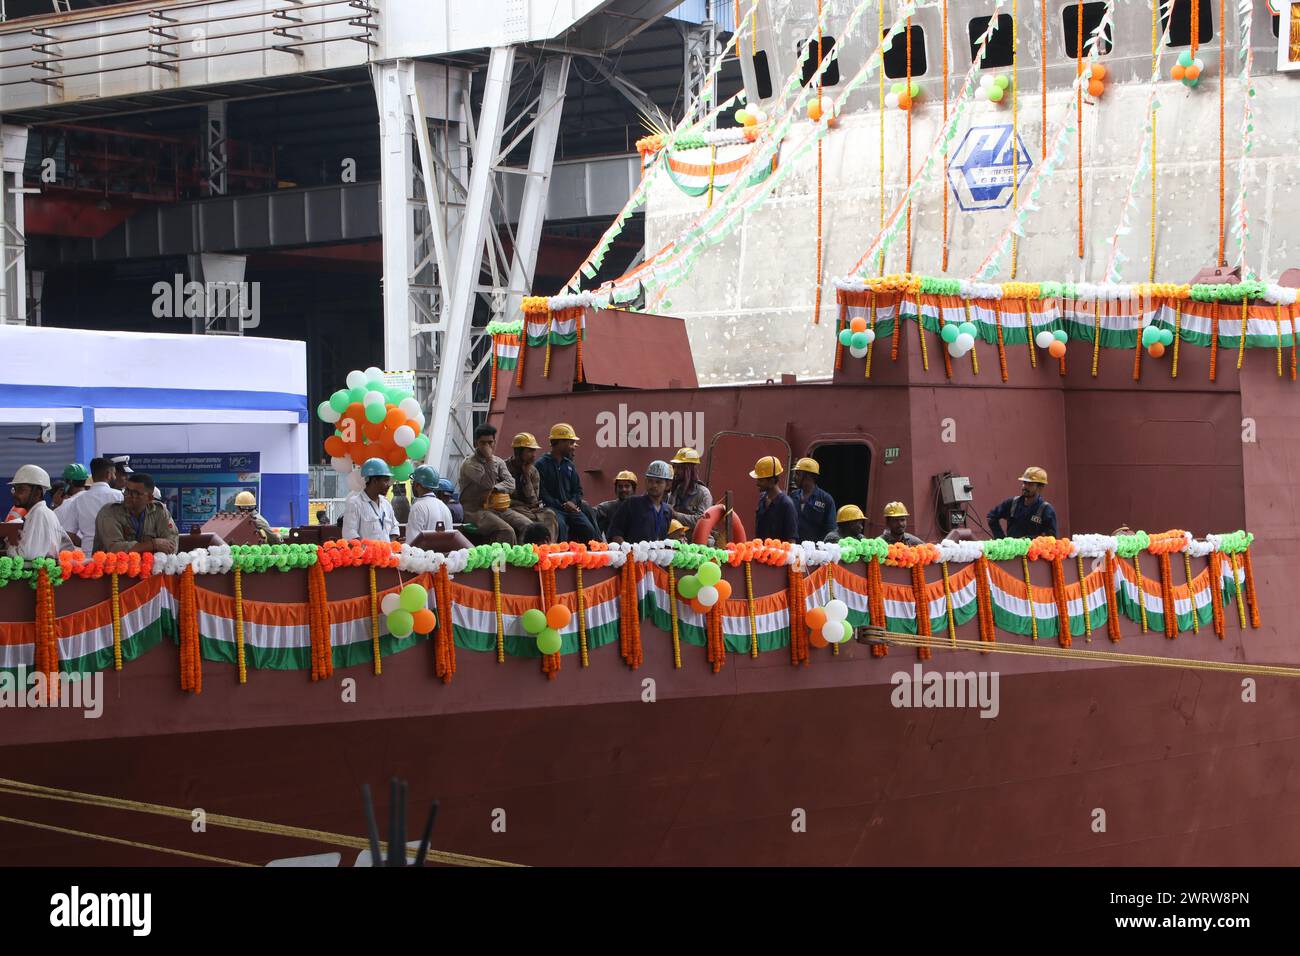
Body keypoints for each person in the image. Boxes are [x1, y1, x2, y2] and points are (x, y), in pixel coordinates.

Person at [459, 423, 532, 544]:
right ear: (476, 444)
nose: (487, 446)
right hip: (474, 511)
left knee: (528, 526)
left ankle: (523, 559)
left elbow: (510, 483)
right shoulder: (469, 464)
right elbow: (487, 484)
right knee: (506, 531)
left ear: (494, 442)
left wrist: (496, 488)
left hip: (498, 508)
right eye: (483, 443)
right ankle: (505, 563)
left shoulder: (498, 461)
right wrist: (489, 460)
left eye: (490, 442)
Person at [536, 423, 600, 543]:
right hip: (553, 509)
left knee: (589, 530)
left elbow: (578, 490)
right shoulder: (541, 465)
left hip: (571, 509)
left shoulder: (569, 465)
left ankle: (588, 558)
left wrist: (572, 502)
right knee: (561, 529)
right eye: (570, 443)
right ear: (559, 443)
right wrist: (562, 505)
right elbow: (542, 493)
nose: (573, 447)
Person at [95, 472, 179, 553]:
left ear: (150, 498)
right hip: (113, 565)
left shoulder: (159, 511)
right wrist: (152, 544)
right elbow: (114, 548)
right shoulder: (110, 512)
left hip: (150, 564)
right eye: (127, 491)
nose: (128, 496)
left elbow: (172, 543)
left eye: (135, 493)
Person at [7, 465, 72, 559]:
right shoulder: (37, 513)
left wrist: (9, 546)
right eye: (15, 489)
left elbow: (28, 556)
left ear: (37, 493)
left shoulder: (40, 514)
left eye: (21, 489)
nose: (15, 494)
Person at [506, 432, 559, 541]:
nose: (534, 455)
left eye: (534, 451)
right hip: (510, 509)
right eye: (530, 451)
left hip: (529, 509)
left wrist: (526, 477)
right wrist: (521, 504)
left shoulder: (533, 471)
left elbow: (533, 500)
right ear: (517, 451)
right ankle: (524, 553)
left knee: (549, 515)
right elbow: (503, 499)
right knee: (529, 524)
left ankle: (547, 548)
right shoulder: (504, 468)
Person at [63, 457, 125, 552]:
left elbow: (69, 534)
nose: (115, 477)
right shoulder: (119, 496)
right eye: (114, 473)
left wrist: (86, 542)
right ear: (108, 474)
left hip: (89, 556)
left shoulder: (78, 500)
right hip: (115, 555)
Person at [607, 460, 675, 544]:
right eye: (650, 481)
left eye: (658, 482)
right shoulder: (631, 504)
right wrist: (628, 551)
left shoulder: (667, 511)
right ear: (645, 481)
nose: (654, 485)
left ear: (667, 485)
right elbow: (615, 533)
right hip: (633, 556)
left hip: (657, 556)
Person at [987, 466, 1058, 538]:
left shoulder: (1046, 510)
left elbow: (1051, 538)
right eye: (1024, 482)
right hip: (1012, 549)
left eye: (1030, 484)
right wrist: (1000, 538)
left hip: (1034, 549)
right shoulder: (1011, 503)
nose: (1025, 487)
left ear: (1040, 487)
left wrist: (1029, 539)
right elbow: (991, 516)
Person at [342, 458, 400, 541]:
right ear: (375, 481)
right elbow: (350, 535)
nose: (389, 485)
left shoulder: (386, 503)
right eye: (386, 481)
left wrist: (387, 547)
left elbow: (394, 528)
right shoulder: (355, 503)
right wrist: (367, 551)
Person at [788, 457, 836, 542]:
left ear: (809, 476)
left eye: (798, 474)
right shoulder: (792, 496)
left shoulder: (826, 499)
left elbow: (830, 530)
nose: (795, 477)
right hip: (794, 550)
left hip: (815, 552)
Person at [752, 455, 798, 540]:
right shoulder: (762, 499)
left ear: (771, 481)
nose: (757, 483)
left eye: (760, 480)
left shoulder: (786, 505)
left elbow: (791, 540)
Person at [405, 465, 455, 543]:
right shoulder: (444, 507)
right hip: (443, 553)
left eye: (413, 482)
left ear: (417, 484)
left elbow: (412, 541)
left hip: (422, 554)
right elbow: (450, 538)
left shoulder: (418, 507)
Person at [668, 448, 714, 531]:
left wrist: (676, 515)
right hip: (678, 538)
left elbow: (701, 521)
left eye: (680, 468)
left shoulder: (703, 494)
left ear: (690, 470)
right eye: (675, 467)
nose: (675, 471)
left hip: (698, 540)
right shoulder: (675, 491)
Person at [595, 470, 637, 536]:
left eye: (627, 486)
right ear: (616, 489)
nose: (623, 489)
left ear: (633, 489)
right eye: (620, 486)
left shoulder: (641, 508)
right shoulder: (606, 508)